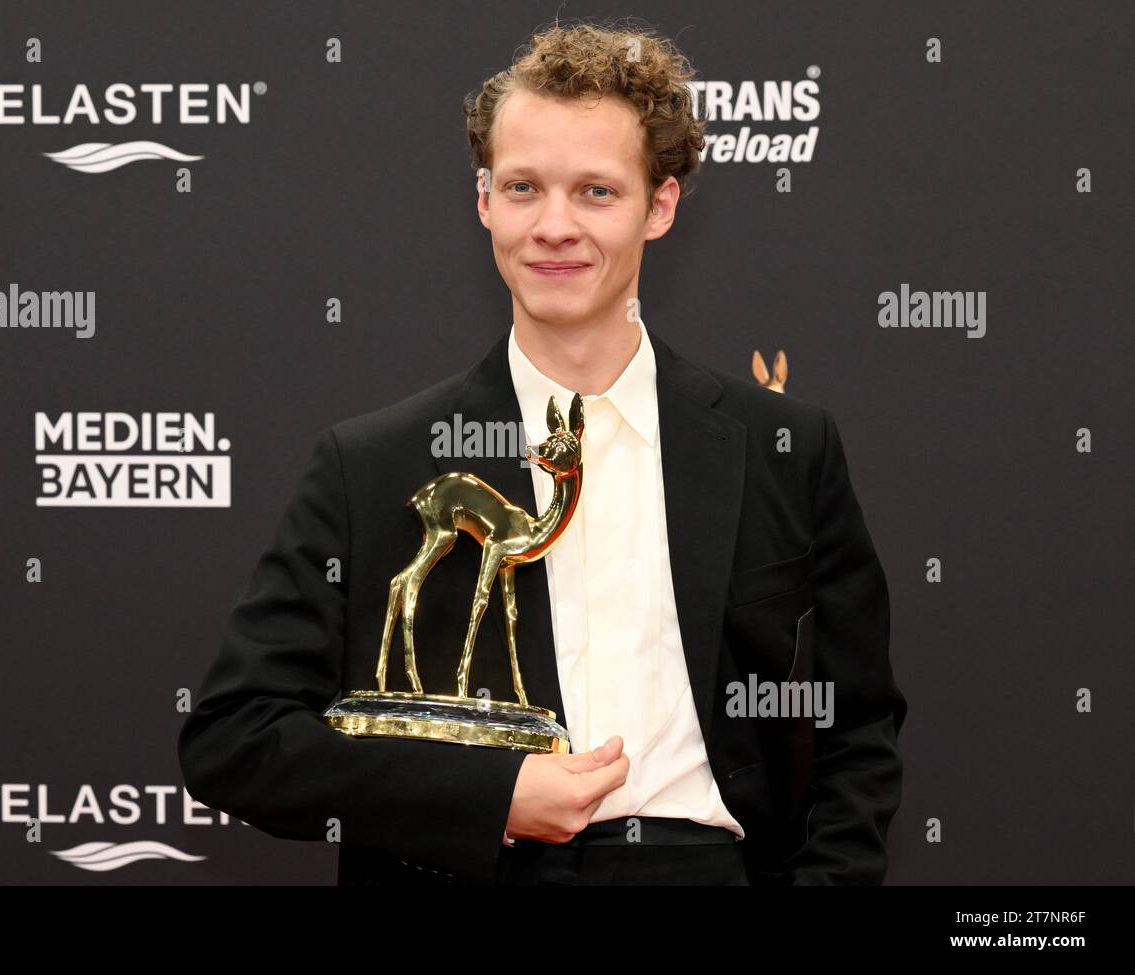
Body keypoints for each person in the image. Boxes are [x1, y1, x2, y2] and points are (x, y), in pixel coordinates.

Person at [178, 19, 905, 885]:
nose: (554, 225)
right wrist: (485, 793)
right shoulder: (373, 465)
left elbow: (855, 731)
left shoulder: (784, 448)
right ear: (483, 201)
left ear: (660, 205)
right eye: (523, 187)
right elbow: (234, 736)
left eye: (596, 191)